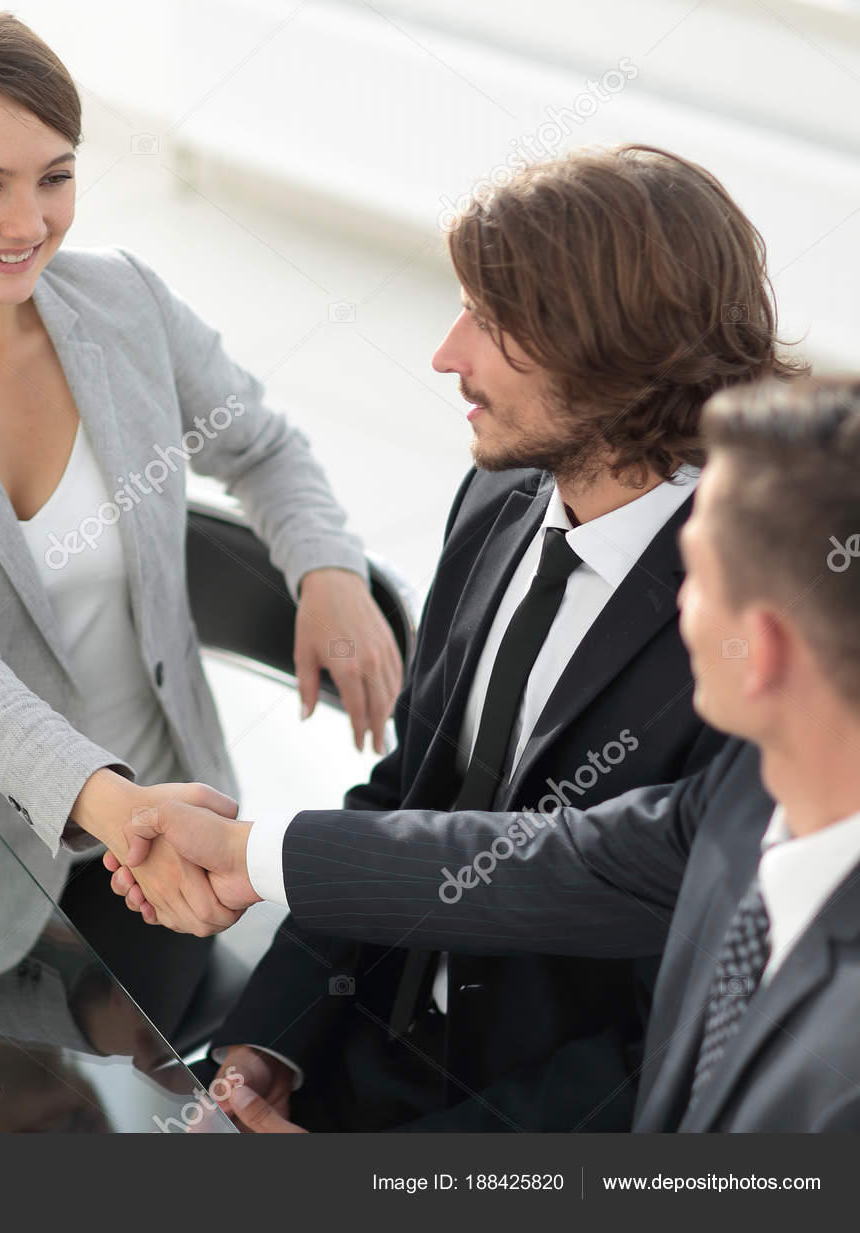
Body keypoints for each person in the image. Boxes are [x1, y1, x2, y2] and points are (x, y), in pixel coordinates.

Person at [112, 144, 804, 1130]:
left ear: (610, 345)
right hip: (354, 1053)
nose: (445, 354)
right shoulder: (495, 496)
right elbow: (407, 794)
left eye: (493, 320)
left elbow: (682, 1034)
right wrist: (270, 1042)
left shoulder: (758, 626)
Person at [0, 12, 399, 1030]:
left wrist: (328, 572)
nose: (28, 222)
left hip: (156, 843)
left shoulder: (124, 302)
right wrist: (114, 806)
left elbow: (263, 447)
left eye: (53, 177)